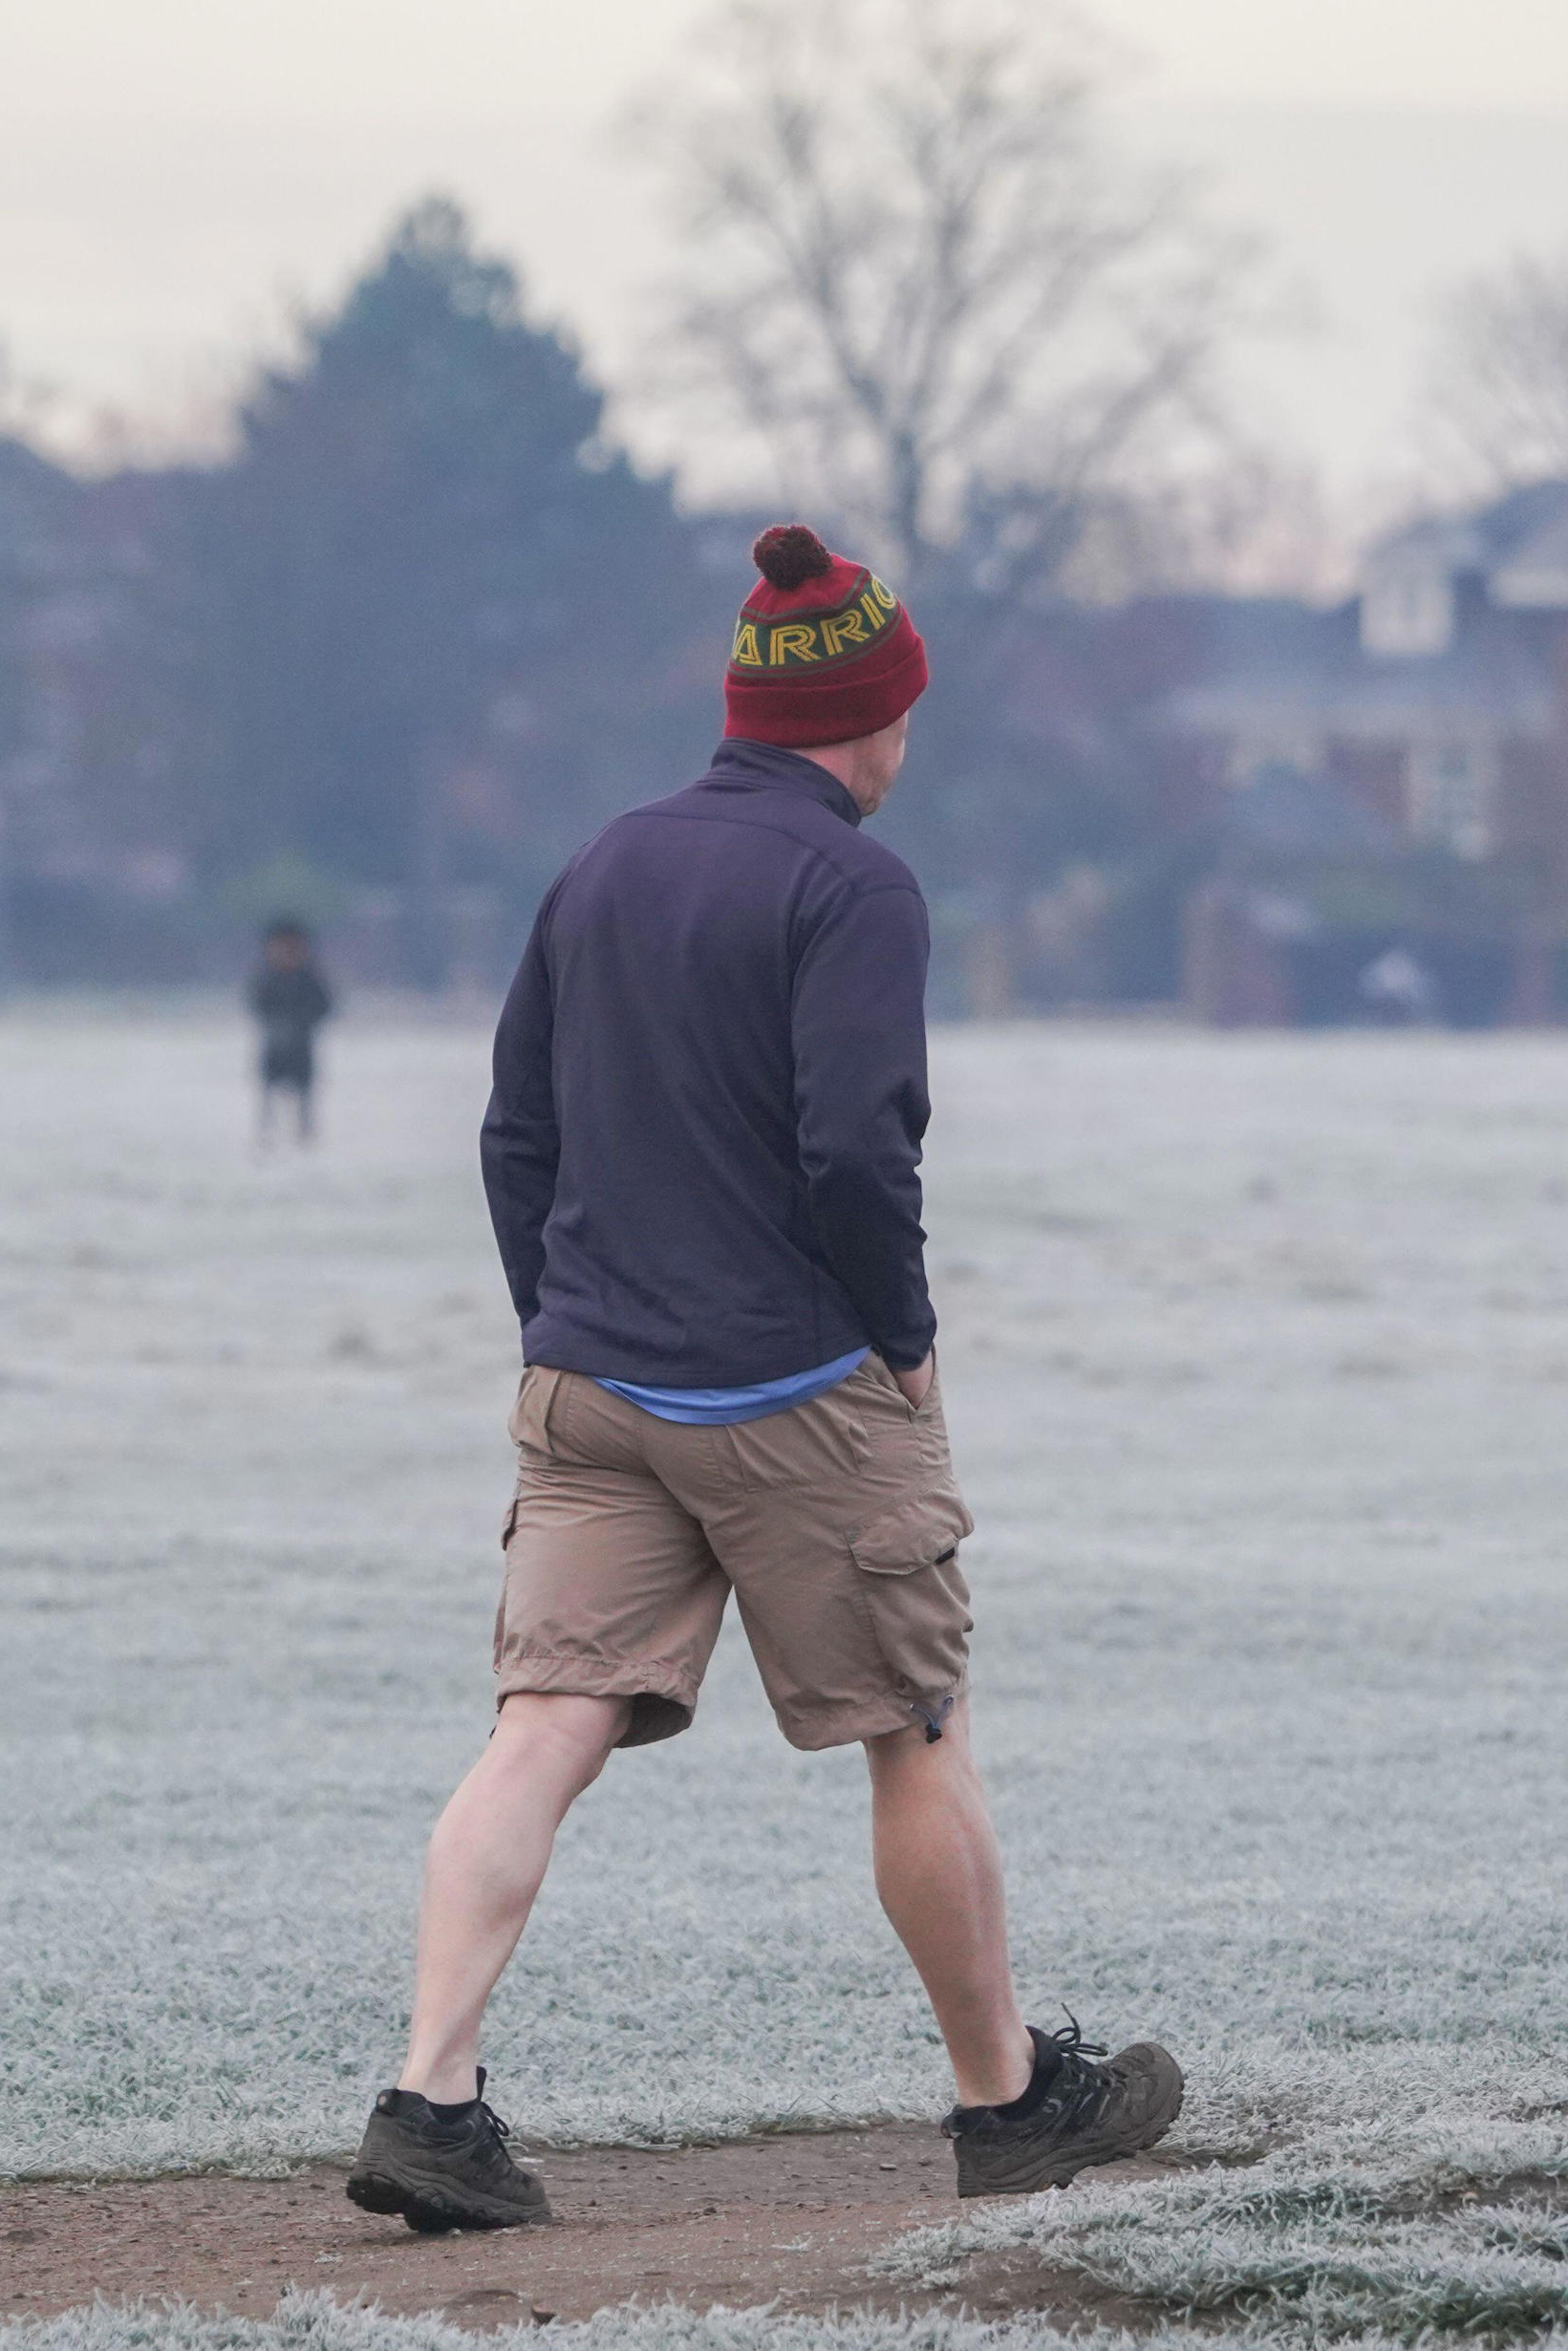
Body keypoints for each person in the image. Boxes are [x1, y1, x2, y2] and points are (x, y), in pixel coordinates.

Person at [345, 523, 1184, 2233]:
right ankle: (1008, 2102)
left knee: (539, 1733)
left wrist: (560, 1320)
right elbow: (856, 1151)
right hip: (796, 1390)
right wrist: (904, 1337)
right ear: (863, 720)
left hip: (591, 1385)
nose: (904, 747)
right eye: (902, 717)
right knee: (916, 1731)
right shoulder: (854, 886)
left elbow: (517, 1132)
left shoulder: (600, 866)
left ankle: (429, 2098)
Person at [247, 919, 335, 1148]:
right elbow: (257, 1005)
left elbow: (325, 1005)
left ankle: (304, 1134)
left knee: (304, 1096)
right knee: (268, 1095)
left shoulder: (310, 978)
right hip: (275, 1047)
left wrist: (303, 1021)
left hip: (302, 1047)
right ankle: (267, 1133)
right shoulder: (267, 978)